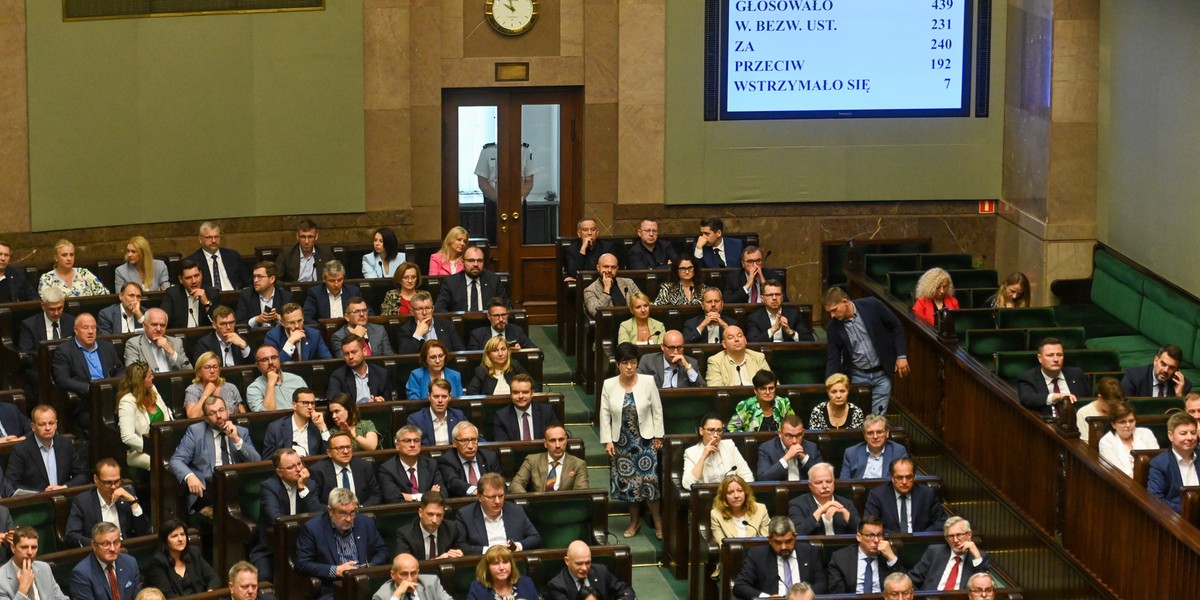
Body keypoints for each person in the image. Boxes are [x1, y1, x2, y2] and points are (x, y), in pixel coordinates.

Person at [600, 343, 664, 538]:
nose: (629, 367)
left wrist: (658, 435)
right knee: (629, 485)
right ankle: (634, 522)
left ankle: (658, 522)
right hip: (622, 442)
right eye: (625, 363)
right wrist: (607, 441)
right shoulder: (609, 384)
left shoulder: (647, 381)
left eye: (633, 362)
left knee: (649, 482)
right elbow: (604, 414)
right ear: (618, 364)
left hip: (645, 441)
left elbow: (657, 409)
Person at [823, 287, 909, 415]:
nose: (832, 315)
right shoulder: (833, 328)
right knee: (859, 416)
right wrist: (831, 384)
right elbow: (833, 358)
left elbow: (896, 326)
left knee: (878, 417)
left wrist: (901, 356)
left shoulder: (872, 305)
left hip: (882, 373)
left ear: (844, 302)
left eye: (834, 310)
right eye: (829, 312)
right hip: (857, 376)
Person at [168, 396, 261, 514]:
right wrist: (189, 476)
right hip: (209, 490)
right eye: (212, 413)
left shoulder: (240, 432)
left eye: (221, 410)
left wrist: (236, 439)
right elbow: (176, 461)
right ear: (206, 419)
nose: (219, 416)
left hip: (237, 488)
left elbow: (256, 462)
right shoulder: (196, 432)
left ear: (228, 411)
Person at [294, 488, 389, 600]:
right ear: (330, 511)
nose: (349, 519)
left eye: (352, 512)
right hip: (332, 588)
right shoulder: (313, 528)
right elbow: (302, 564)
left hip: (366, 584)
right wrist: (335, 570)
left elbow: (382, 550)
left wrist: (369, 568)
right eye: (343, 513)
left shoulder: (365, 522)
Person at [248, 448, 320, 580]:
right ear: (279, 472)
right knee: (265, 576)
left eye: (299, 464)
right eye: (291, 467)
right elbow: (277, 519)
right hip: (272, 547)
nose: (299, 469)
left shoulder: (309, 484)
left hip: (304, 546)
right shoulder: (269, 487)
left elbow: (317, 515)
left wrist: (302, 489)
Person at [731, 516, 826, 598]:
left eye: (788, 541)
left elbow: (822, 584)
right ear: (770, 540)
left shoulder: (809, 551)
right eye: (778, 542)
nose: (784, 547)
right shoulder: (757, 555)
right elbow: (740, 586)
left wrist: (804, 596)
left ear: (795, 537)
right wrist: (767, 598)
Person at [64, 459, 151, 547]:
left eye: (117, 481)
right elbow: (72, 535)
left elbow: (144, 531)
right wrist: (98, 545)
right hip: (97, 552)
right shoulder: (83, 501)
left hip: (125, 549)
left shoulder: (127, 495)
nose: (113, 487)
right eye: (108, 483)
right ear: (96, 479)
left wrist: (133, 501)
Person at [6, 405, 89, 493]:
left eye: (51, 423)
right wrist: (41, 494)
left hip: (64, 496)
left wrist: (65, 487)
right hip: (37, 500)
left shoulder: (65, 444)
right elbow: (11, 483)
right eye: (42, 424)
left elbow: (81, 475)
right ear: (33, 427)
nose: (48, 428)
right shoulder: (21, 450)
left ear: (56, 424)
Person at [456, 473, 542, 554]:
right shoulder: (465, 515)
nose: (497, 501)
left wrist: (518, 546)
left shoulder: (516, 511)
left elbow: (535, 537)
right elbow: (461, 545)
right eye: (492, 497)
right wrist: (491, 550)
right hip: (483, 561)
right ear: (479, 496)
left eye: (501, 496)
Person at [51, 312, 123, 401]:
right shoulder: (64, 351)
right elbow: (63, 380)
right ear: (76, 330)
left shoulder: (107, 347)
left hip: (110, 394)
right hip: (85, 398)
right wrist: (90, 388)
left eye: (93, 327)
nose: (90, 332)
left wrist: (114, 384)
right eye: (85, 328)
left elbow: (120, 369)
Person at [707, 475, 770, 577]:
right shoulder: (716, 514)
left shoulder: (760, 509)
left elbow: (765, 540)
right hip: (732, 562)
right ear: (724, 496)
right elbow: (722, 545)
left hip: (758, 561)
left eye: (740, 491)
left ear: (745, 492)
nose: (736, 496)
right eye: (730, 492)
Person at [864, 458, 947, 533]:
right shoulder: (878, 495)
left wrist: (921, 537)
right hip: (890, 541)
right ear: (892, 478)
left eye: (909, 477)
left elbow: (941, 522)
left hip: (922, 541)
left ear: (914, 476)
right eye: (899, 477)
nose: (904, 482)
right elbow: (870, 525)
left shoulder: (927, 494)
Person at [143, 517, 220, 597]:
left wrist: (210, 593)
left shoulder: (194, 552)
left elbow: (213, 578)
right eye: (174, 536)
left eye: (182, 534)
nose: (180, 539)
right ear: (165, 541)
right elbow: (168, 595)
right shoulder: (157, 562)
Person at [908, 516, 991, 590]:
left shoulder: (979, 557)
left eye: (959, 535)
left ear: (969, 535)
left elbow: (983, 588)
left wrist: (976, 556)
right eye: (951, 536)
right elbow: (911, 580)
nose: (955, 540)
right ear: (946, 539)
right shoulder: (934, 552)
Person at [826, 515, 904, 594]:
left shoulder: (890, 553)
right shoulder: (840, 557)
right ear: (859, 537)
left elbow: (903, 585)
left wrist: (892, 558)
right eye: (870, 535)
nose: (876, 540)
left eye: (879, 535)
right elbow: (837, 592)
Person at [1017, 337, 1091, 419]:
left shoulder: (1076, 374)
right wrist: (1054, 397)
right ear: (1039, 358)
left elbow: (1088, 400)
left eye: (1059, 355)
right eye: (1050, 355)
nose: (1056, 359)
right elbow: (1027, 399)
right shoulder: (1029, 378)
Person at [70, 522, 142, 600]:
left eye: (116, 542)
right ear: (94, 545)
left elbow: (138, 597)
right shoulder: (81, 574)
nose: (112, 549)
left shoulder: (130, 563)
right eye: (106, 544)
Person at [310, 431, 383, 506]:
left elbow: (376, 495)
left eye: (348, 447)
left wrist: (361, 509)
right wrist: (333, 511)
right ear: (329, 453)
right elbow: (314, 502)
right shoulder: (318, 471)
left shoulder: (364, 466)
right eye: (340, 448)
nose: (345, 451)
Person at [546, 540, 637, 600]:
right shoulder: (557, 586)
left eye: (588, 562)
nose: (585, 568)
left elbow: (626, 591)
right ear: (567, 561)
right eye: (579, 564)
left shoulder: (601, 571)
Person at [511, 423, 589, 493]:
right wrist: (528, 500)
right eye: (552, 440)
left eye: (561, 440)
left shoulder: (578, 464)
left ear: (566, 440)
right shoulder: (532, 461)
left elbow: (581, 493)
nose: (558, 445)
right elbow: (516, 484)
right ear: (545, 443)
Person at [789, 462, 859, 536]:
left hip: (843, 543)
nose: (825, 486)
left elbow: (862, 532)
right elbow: (797, 534)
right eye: (819, 482)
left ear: (834, 482)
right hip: (813, 544)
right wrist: (820, 511)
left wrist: (845, 513)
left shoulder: (846, 503)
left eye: (829, 481)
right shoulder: (797, 504)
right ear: (810, 485)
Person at [1147, 411, 1199, 512]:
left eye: (1193, 433)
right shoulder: (1159, 464)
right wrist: (1188, 511)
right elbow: (1154, 499)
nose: (1190, 438)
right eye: (1183, 433)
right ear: (1170, 435)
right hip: (1177, 517)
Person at [0, 526, 69, 600]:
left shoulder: (44, 568)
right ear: (13, 548)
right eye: (24, 547)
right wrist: (23, 589)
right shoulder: (1, 579)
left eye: (34, 547)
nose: (30, 552)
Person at [378, 426, 444, 502]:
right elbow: (393, 498)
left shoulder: (431, 464)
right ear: (397, 445)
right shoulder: (387, 469)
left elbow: (442, 494)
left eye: (416, 440)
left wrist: (406, 496)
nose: (412, 445)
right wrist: (428, 495)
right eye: (407, 441)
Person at [393, 492, 465, 560]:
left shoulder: (451, 529)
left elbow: (463, 549)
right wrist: (437, 562)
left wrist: (460, 554)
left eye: (439, 515)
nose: (434, 520)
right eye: (430, 514)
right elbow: (404, 564)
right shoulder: (405, 535)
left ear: (443, 514)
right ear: (420, 513)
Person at [436, 422, 501, 497]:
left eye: (474, 440)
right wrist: (475, 491)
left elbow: (498, 482)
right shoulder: (447, 460)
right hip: (462, 502)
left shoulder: (489, 457)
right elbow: (453, 482)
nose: (470, 446)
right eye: (464, 441)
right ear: (454, 443)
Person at [435, 246, 508, 312]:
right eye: (471, 261)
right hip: (460, 322)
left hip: (487, 321)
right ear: (462, 262)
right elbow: (439, 309)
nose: (476, 264)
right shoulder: (451, 282)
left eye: (479, 261)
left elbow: (506, 306)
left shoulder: (493, 280)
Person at [261, 388, 329, 458]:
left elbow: (329, 453)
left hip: (312, 464)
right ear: (294, 405)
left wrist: (322, 427)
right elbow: (268, 459)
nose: (310, 407)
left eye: (312, 403)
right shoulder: (276, 427)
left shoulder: (317, 426)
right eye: (305, 403)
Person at [1097, 401, 1160, 477]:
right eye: (1122, 422)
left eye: (1131, 421)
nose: (1128, 425)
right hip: (1121, 481)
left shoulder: (1146, 433)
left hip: (1151, 478)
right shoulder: (1106, 441)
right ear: (1113, 424)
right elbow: (1116, 470)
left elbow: (1157, 461)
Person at [492, 374, 560, 441]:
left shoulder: (546, 412)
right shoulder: (501, 416)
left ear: (532, 393)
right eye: (516, 392)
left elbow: (557, 437)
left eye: (525, 392)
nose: (521, 396)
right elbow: (503, 443)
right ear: (511, 394)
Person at [327, 335, 394, 403]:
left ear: (364, 351)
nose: (350, 357)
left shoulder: (381, 374)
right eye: (346, 354)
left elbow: (389, 403)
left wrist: (380, 403)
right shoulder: (338, 376)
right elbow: (334, 403)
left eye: (354, 352)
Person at [466, 335, 540, 396]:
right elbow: (471, 392)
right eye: (495, 350)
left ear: (508, 351)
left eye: (503, 349)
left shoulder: (514, 366)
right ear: (489, 354)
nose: (500, 354)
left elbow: (535, 387)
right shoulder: (482, 370)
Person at [840, 414, 908, 479]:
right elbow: (844, 482)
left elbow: (904, 479)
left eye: (879, 432)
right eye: (870, 433)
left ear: (887, 433)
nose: (875, 437)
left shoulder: (898, 451)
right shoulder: (851, 453)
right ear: (864, 435)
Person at [124, 308, 191, 373]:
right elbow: (133, 374)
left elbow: (189, 370)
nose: (158, 329)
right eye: (154, 325)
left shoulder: (176, 342)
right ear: (144, 325)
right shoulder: (134, 344)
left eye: (162, 325)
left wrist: (170, 351)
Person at [395, 291, 465, 353]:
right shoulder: (405, 330)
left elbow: (460, 351)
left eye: (428, 308)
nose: (424, 312)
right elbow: (404, 355)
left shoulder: (447, 325)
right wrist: (417, 334)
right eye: (419, 309)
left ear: (433, 309)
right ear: (412, 312)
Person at [756, 415, 822, 481]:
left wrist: (804, 458)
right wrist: (786, 458)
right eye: (789, 436)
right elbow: (763, 478)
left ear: (803, 433)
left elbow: (822, 475)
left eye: (798, 435)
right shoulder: (767, 448)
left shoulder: (811, 447)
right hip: (780, 487)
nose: (794, 441)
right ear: (780, 434)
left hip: (805, 487)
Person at [245, 345, 309, 412]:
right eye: (265, 360)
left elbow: (308, 407)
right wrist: (271, 384)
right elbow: (266, 415)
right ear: (257, 365)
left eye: (274, 358)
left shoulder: (297, 380)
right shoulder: (253, 389)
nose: (270, 362)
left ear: (279, 359)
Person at [746, 280, 813, 342]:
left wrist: (790, 332)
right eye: (770, 295)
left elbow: (809, 340)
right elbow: (753, 342)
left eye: (777, 294)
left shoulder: (794, 314)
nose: (774, 298)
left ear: (782, 297)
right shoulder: (754, 318)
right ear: (762, 298)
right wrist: (772, 330)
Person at [37, 239, 109, 297]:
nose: (69, 258)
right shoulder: (47, 278)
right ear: (56, 257)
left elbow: (105, 295)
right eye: (64, 255)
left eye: (71, 255)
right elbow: (47, 303)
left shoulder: (84, 273)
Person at [728, 370, 794, 432]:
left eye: (771, 388)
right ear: (755, 390)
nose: (768, 392)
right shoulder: (746, 405)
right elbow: (731, 428)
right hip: (753, 441)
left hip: (779, 440)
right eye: (763, 389)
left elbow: (793, 425)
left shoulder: (783, 403)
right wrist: (746, 437)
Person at [183, 351, 245, 418]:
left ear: (219, 370)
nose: (212, 371)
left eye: (215, 367)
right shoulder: (192, 390)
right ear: (199, 371)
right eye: (207, 367)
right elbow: (193, 416)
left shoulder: (230, 387)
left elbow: (243, 414)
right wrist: (206, 393)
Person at [189, 221, 248, 291]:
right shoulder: (193, 261)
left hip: (234, 295)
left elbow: (247, 281)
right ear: (200, 239)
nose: (214, 241)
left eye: (216, 237)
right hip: (208, 296)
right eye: (209, 237)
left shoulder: (233, 256)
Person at [465, 546, 539, 600]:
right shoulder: (477, 588)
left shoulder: (526, 583)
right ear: (487, 567)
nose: (501, 568)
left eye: (505, 562)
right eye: (496, 563)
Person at [160, 260, 218, 328]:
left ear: (201, 274)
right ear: (181, 279)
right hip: (180, 334)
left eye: (196, 276)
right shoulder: (172, 294)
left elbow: (218, 323)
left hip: (205, 334)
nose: (194, 281)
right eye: (188, 278)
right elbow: (163, 321)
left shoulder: (212, 293)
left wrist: (206, 303)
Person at [408, 379, 467, 446]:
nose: (440, 400)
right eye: (436, 396)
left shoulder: (458, 416)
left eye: (444, 397)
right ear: (429, 397)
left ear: (450, 397)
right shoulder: (416, 420)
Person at [264, 303, 332, 361]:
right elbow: (274, 364)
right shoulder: (272, 337)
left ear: (303, 319)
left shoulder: (314, 335)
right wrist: (290, 342)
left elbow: (328, 360)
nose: (297, 326)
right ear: (282, 322)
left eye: (299, 321)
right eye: (291, 322)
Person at [189, 306, 254, 367]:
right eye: (223, 324)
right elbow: (201, 367)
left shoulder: (242, 340)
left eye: (231, 323)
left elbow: (252, 363)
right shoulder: (204, 344)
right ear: (214, 325)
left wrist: (244, 346)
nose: (228, 327)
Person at [637, 329, 703, 388]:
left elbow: (701, 387)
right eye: (671, 348)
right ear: (662, 347)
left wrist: (688, 367)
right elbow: (636, 383)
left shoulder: (691, 362)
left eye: (679, 347)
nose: (676, 352)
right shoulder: (648, 361)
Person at [1121, 343, 1193, 398]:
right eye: (1163, 364)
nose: (1166, 370)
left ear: (1177, 370)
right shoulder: (1133, 378)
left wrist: (1179, 395)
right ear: (1155, 361)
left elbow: (1183, 412)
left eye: (1171, 368)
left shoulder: (1183, 386)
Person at [583, 253, 642, 318]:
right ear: (598, 267)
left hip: (632, 321)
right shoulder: (590, 290)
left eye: (613, 267)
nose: (609, 270)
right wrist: (606, 290)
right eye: (606, 266)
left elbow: (642, 302)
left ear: (617, 269)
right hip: (609, 323)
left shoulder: (628, 282)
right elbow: (595, 313)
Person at [331, 297, 395, 357]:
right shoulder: (338, 337)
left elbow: (389, 357)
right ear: (347, 317)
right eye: (356, 311)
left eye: (364, 310)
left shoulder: (379, 330)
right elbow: (346, 360)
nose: (362, 314)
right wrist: (356, 337)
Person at [372, 552, 453, 600]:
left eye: (413, 573)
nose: (410, 579)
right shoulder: (381, 596)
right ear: (393, 575)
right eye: (404, 574)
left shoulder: (431, 583)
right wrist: (397, 595)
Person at [235, 262, 292, 328]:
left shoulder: (286, 297)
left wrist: (278, 318)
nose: (255, 280)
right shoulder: (246, 295)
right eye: (254, 277)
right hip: (256, 334)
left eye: (259, 277)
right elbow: (239, 323)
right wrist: (256, 320)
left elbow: (293, 322)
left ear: (272, 279)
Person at [18, 286, 73, 353]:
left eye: (59, 308)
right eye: (52, 309)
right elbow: (27, 353)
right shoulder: (30, 325)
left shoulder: (71, 321)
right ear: (43, 306)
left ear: (63, 304)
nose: (56, 313)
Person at [469, 297, 536, 350]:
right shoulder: (477, 335)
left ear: (508, 315)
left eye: (503, 315)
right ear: (489, 317)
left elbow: (534, 350)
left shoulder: (517, 331)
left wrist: (520, 352)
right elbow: (473, 359)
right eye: (496, 316)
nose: (501, 319)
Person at [275, 218, 327, 283]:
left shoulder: (325, 253)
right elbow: (276, 280)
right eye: (303, 237)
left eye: (310, 237)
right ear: (297, 236)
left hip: (318, 289)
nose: (306, 241)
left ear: (316, 237)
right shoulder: (286, 254)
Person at [1076, 376, 1125, 442]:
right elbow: (1085, 441)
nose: (1115, 408)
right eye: (1111, 405)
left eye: (1117, 404)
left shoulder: (1122, 409)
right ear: (1100, 398)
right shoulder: (1084, 412)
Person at [563, 218, 613, 282]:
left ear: (597, 233)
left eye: (593, 229)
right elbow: (574, 274)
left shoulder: (607, 247)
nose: (589, 233)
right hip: (582, 286)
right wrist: (583, 249)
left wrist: (578, 279)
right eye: (585, 230)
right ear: (579, 233)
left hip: (603, 283)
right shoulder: (571, 250)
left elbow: (611, 272)